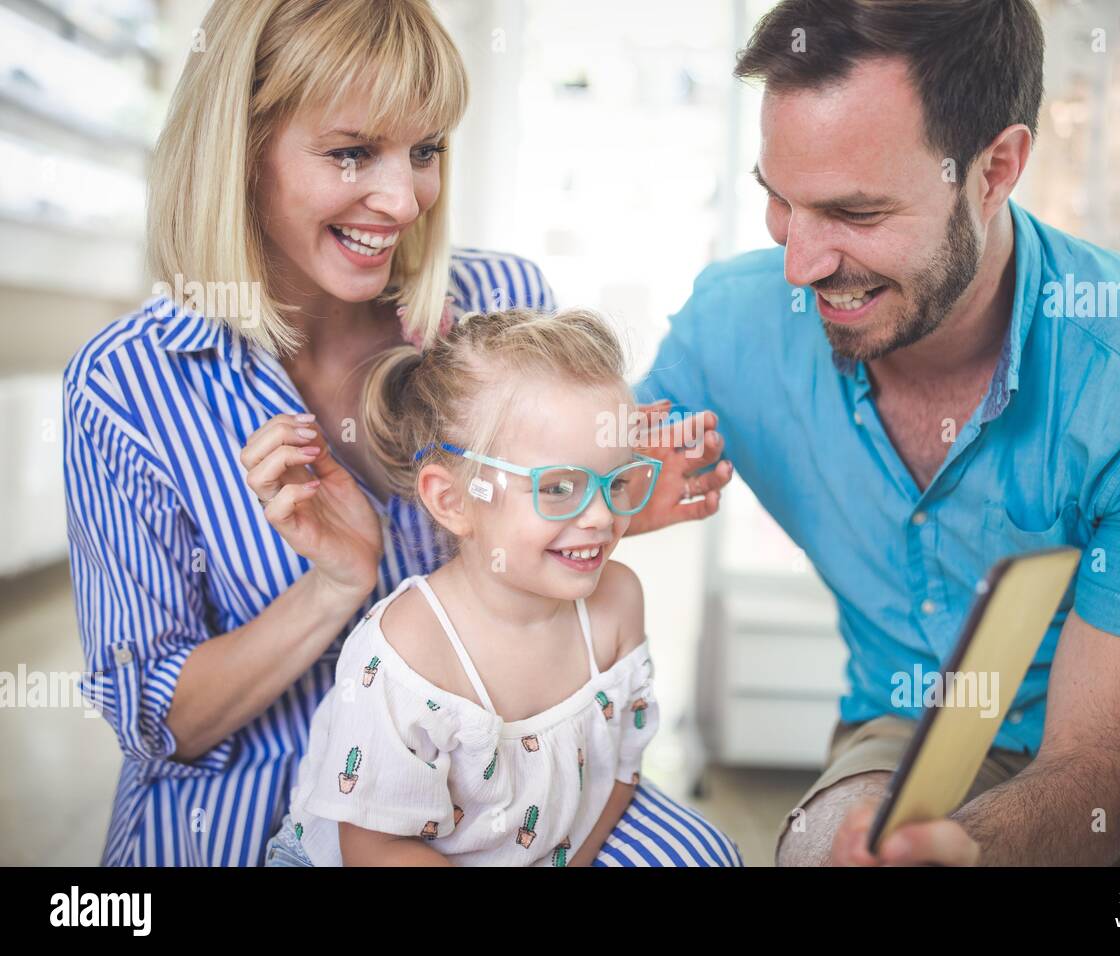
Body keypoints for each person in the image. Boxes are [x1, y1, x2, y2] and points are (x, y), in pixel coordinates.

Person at [62, 0, 731, 866]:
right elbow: (159, 722)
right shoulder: (124, 384)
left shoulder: (500, 302)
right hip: (248, 810)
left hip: (499, 788)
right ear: (241, 148)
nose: (404, 198)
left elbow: (502, 548)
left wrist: (603, 501)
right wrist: (334, 586)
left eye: (425, 151)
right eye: (352, 152)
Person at [634, 0, 1120, 866]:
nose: (800, 265)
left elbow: (1099, 772)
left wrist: (971, 848)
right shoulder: (729, 328)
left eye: (856, 214)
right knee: (827, 849)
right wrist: (597, 491)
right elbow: (571, 472)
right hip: (911, 726)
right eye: (778, 200)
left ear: (996, 169)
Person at [263, 306, 741, 866]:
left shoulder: (618, 605)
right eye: (558, 487)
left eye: (616, 481)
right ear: (451, 500)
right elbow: (375, 848)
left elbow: (617, 774)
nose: (601, 516)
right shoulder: (408, 654)